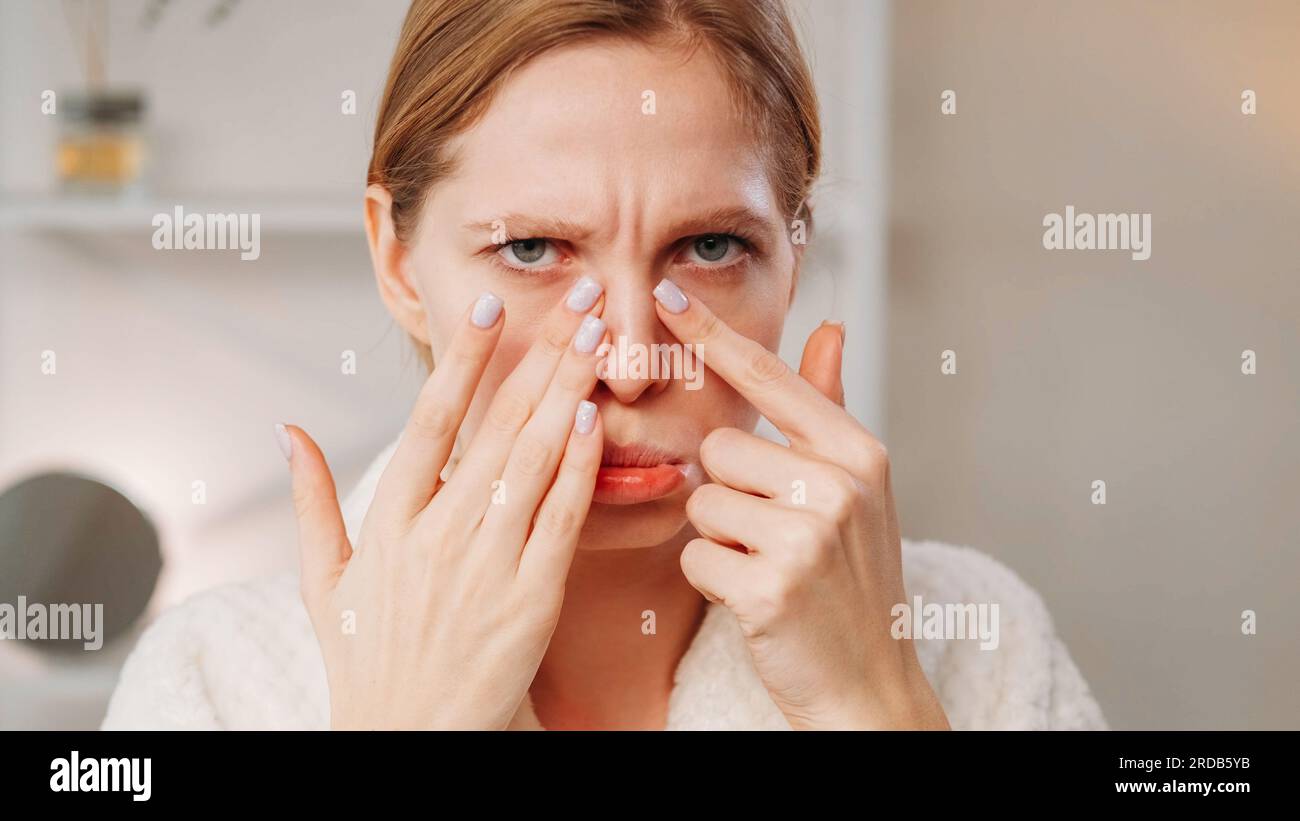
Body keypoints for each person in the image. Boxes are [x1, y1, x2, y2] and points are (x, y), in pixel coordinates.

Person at [102, 0, 1106, 731]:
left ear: (792, 254)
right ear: (397, 258)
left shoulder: (976, 639)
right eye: (533, 249)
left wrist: (874, 706)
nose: (629, 360)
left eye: (711, 247)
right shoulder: (213, 681)